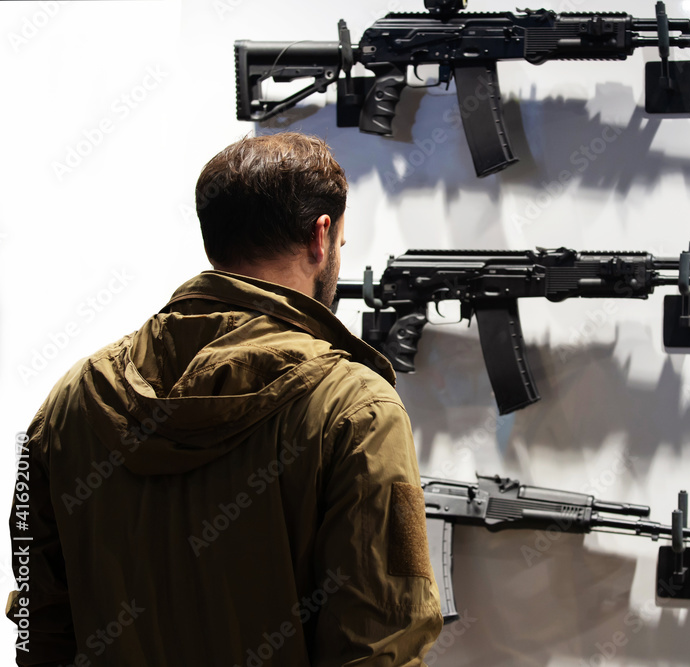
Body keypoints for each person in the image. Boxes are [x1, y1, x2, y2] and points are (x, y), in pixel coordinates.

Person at [6, 132, 443, 666]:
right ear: (320, 236)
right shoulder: (358, 410)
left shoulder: (70, 402)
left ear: (215, 236)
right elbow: (382, 644)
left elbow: (40, 627)